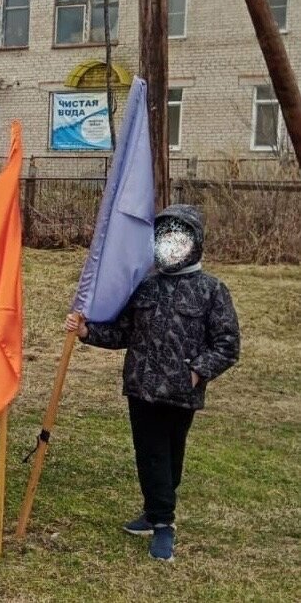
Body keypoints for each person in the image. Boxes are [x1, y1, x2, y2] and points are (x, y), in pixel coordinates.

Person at [65, 204, 240, 562]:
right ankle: (163, 524)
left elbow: (227, 344)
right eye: (165, 239)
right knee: (152, 453)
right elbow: (122, 332)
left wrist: (196, 371)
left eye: (179, 240)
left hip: (181, 391)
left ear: (194, 244)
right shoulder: (144, 286)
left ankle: (156, 509)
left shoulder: (211, 291)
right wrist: (86, 331)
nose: (171, 247)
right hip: (142, 387)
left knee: (171, 455)